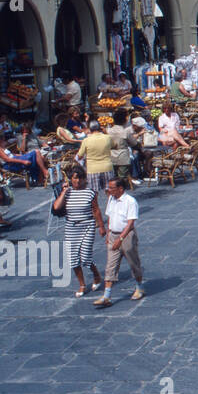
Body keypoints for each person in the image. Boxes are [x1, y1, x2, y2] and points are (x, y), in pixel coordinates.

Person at [92, 176, 144, 307]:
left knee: (133, 262)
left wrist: (120, 239)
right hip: (113, 235)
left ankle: (139, 287)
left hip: (126, 236)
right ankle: (107, 296)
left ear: (120, 189)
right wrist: (109, 234)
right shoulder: (111, 199)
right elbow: (109, 216)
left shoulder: (130, 201)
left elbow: (131, 223)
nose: (108, 190)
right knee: (110, 265)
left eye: (111, 188)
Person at [56, 166, 105, 297]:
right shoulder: (68, 192)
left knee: (85, 257)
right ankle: (82, 284)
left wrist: (101, 226)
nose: (77, 181)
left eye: (80, 178)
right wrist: (63, 192)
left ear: (84, 179)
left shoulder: (90, 192)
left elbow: (96, 210)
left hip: (87, 226)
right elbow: (56, 207)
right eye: (75, 178)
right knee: (73, 259)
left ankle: (96, 275)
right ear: (71, 179)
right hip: (71, 228)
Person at [76, 118, 114, 193]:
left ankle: (95, 205)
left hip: (92, 169)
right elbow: (114, 146)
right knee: (110, 191)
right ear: (100, 128)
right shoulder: (107, 138)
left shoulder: (86, 140)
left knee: (93, 193)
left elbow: (80, 156)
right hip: (107, 167)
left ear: (90, 129)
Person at [107, 107, 136, 183]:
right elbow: (134, 143)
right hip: (123, 157)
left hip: (111, 155)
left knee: (113, 177)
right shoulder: (125, 131)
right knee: (122, 178)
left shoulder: (109, 131)